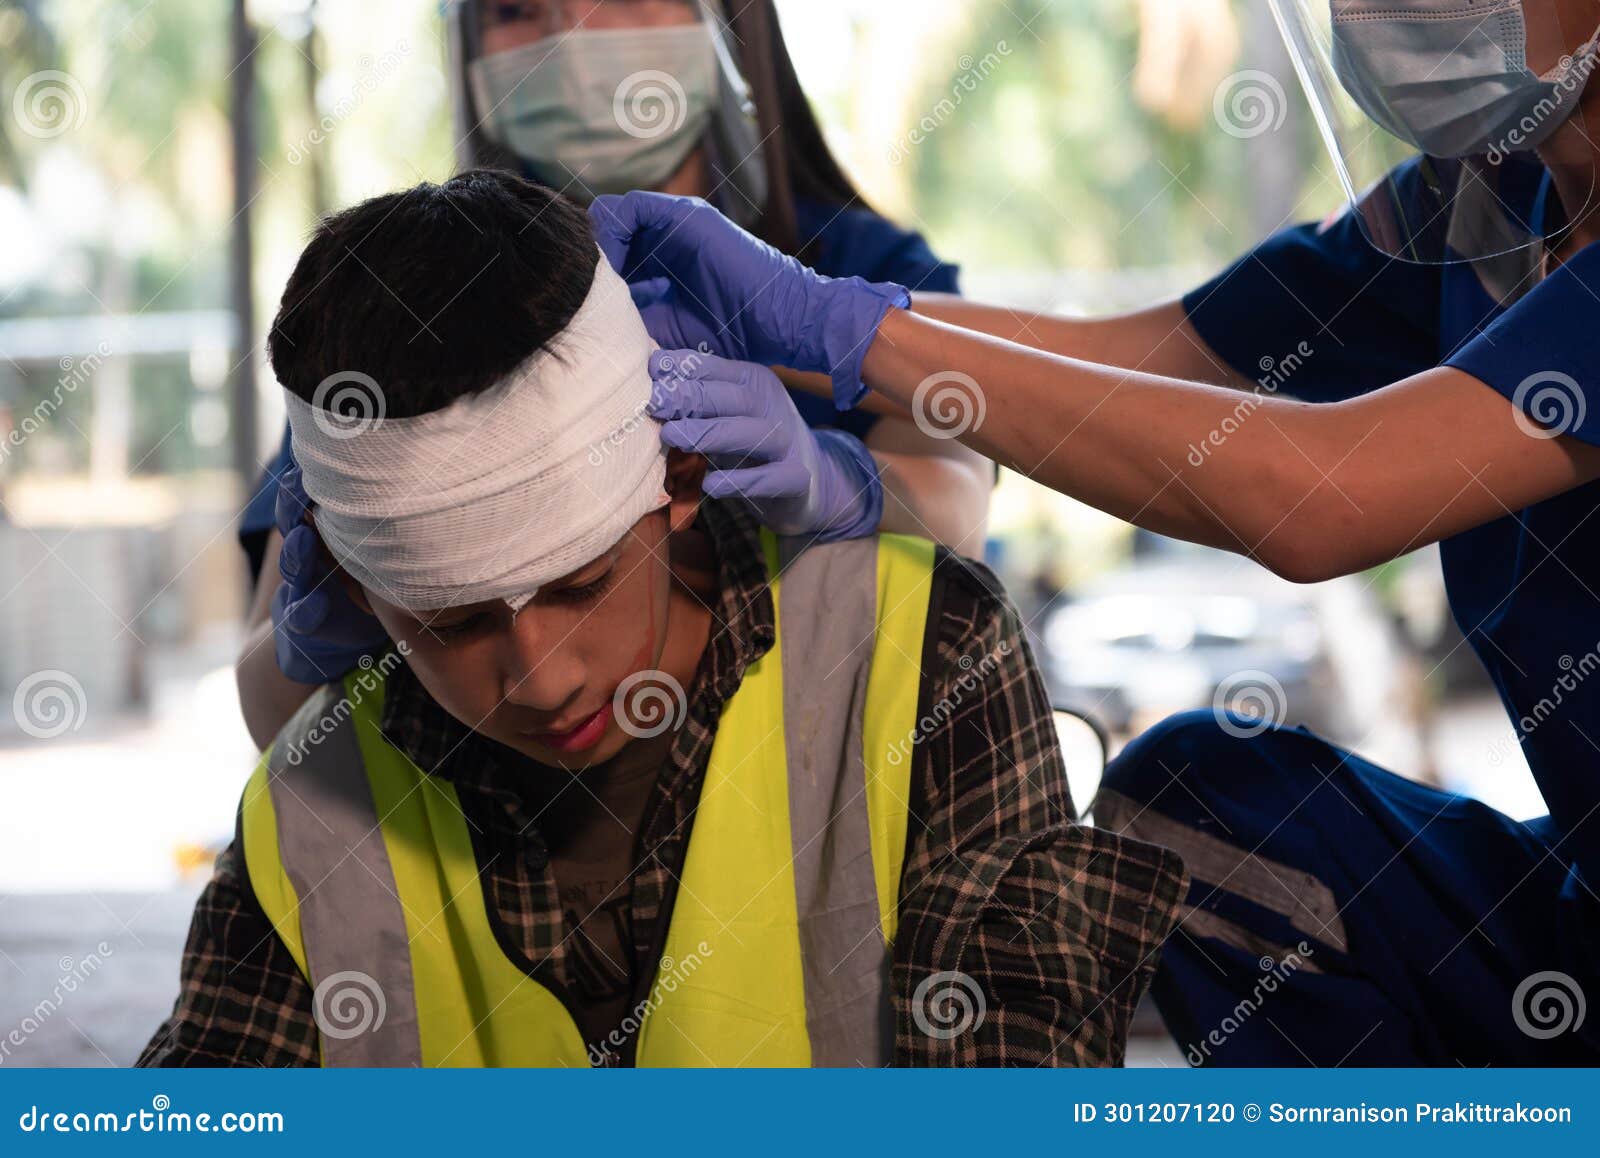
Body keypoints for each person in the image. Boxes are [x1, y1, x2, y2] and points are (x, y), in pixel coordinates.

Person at [581, 1, 1600, 1065]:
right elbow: (1156, 358)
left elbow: (1316, 493)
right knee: (1195, 809)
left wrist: (849, 335)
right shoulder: (1482, 207)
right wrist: (803, 317)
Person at [141, 170, 1185, 1068]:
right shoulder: (326, 786)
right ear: (354, 588)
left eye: (579, 583)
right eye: (450, 625)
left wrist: (856, 343)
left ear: (680, 470)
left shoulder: (919, 662)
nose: (540, 677)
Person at [232, 0, 992, 752]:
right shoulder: (407, 312)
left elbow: (961, 511)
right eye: (516, 10)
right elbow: (272, 712)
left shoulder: (871, 269)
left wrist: (842, 481)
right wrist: (320, 646)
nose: (571, 39)